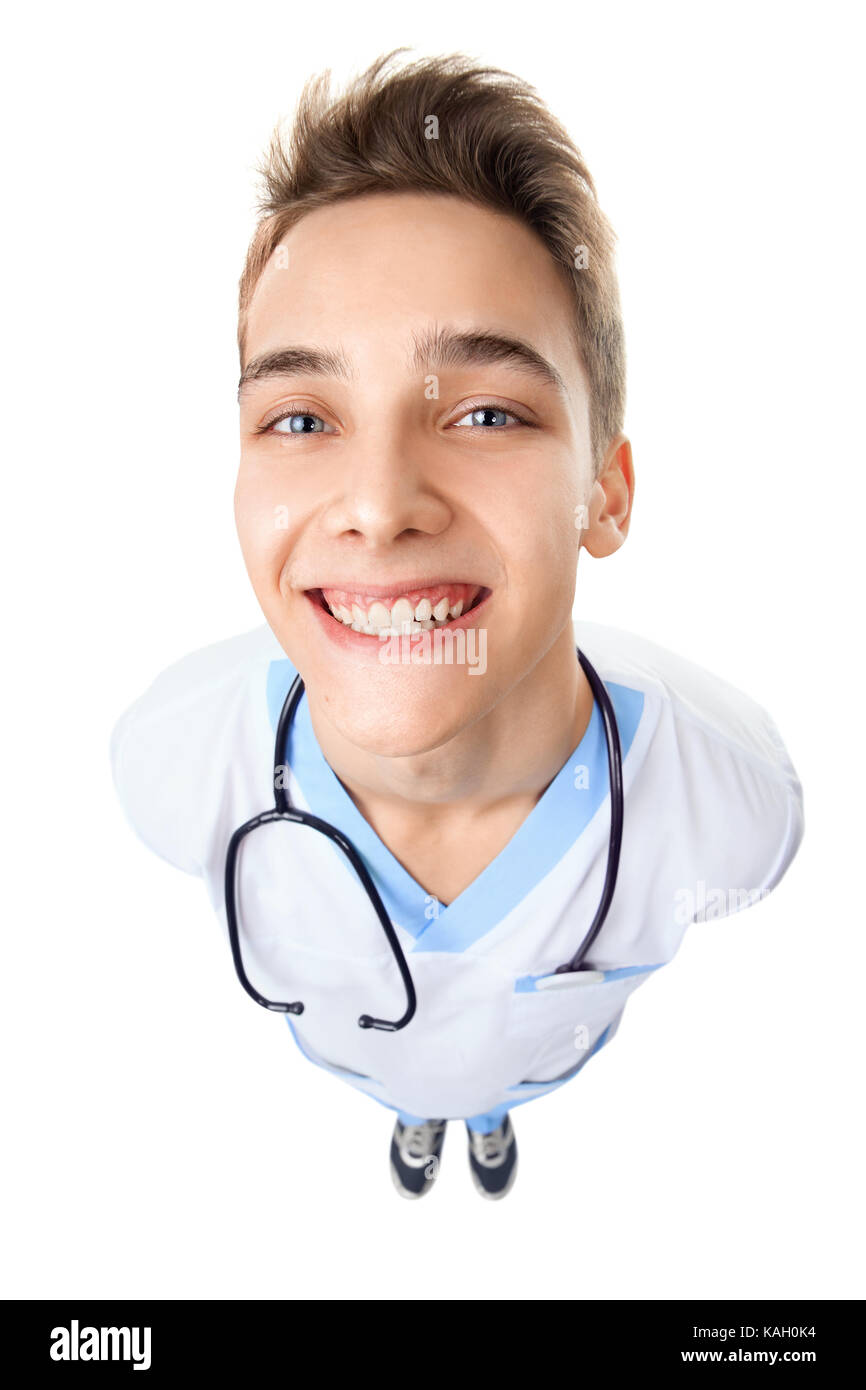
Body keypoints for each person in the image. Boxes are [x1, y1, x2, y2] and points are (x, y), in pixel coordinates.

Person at [109, 50, 804, 1202]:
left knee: (489, 1084)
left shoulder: (733, 808)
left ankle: (484, 1122)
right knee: (411, 1090)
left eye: (484, 410)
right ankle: (415, 1121)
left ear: (605, 492)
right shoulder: (168, 763)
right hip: (358, 1065)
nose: (380, 507)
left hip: (541, 1070)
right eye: (299, 417)